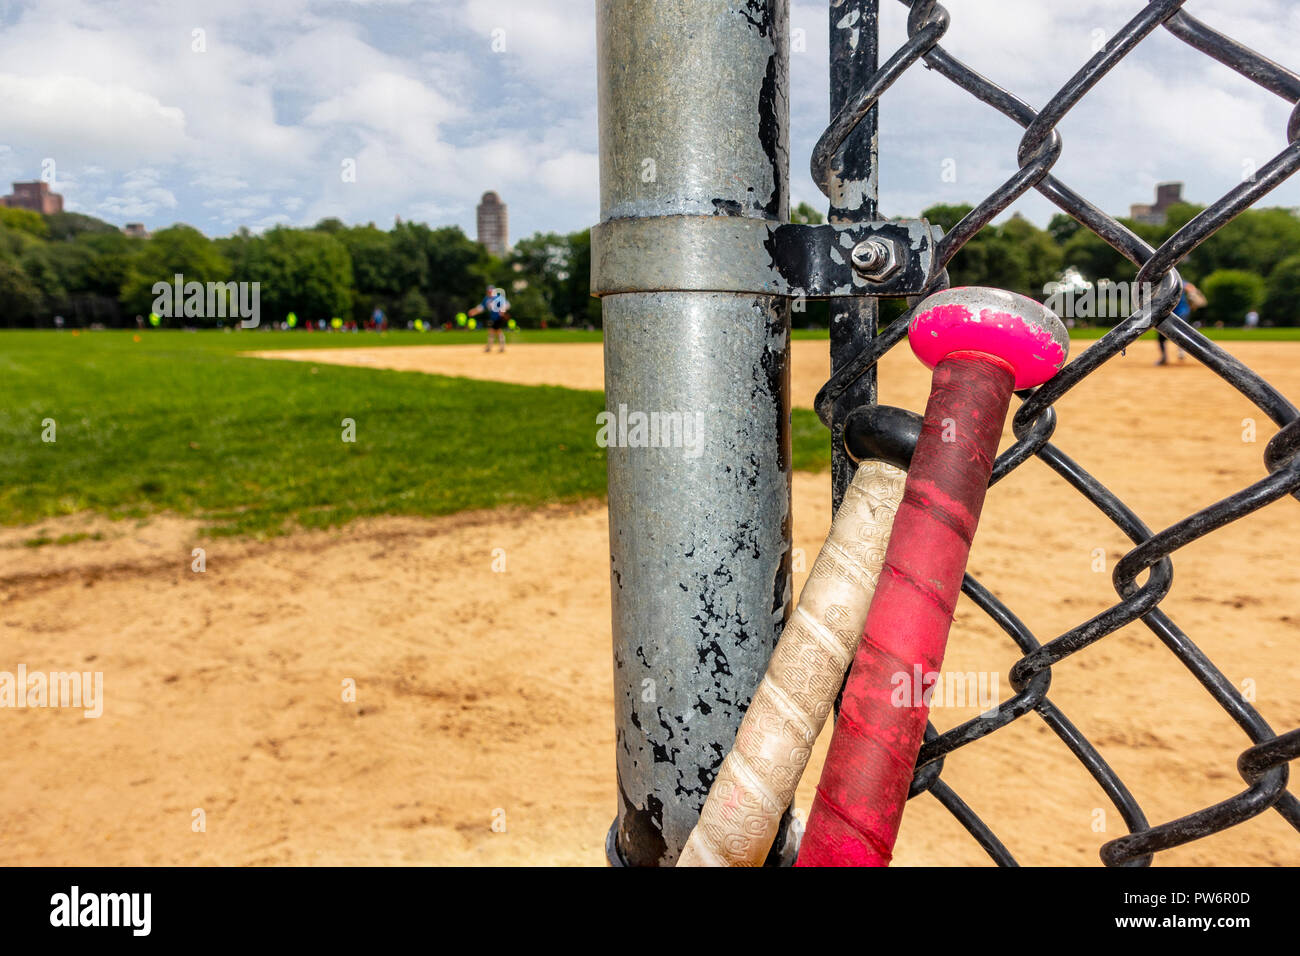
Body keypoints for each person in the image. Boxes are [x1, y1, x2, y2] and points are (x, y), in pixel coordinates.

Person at [1156, 280, 1203, 366]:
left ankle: (1180, 351)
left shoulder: (1175, 281)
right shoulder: (1163, 283)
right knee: (1162, 336)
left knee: (1180, 333)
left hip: (1180, 312)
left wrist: (1192, 293)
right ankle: (1164, 357)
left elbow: (1189, 287)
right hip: (1168, 312)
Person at [468, 285, 511, 353]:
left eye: (491, 291)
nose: (489, 292)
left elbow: (507, 304)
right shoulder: (486, 299)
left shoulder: (498, 298)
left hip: (498, 317)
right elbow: (481, 308)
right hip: (493, 317)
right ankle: (498, 347)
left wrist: (503, 310)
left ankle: (492, 347)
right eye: (488, 291)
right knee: (495, 331)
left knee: (493, 331)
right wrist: (474, 311)